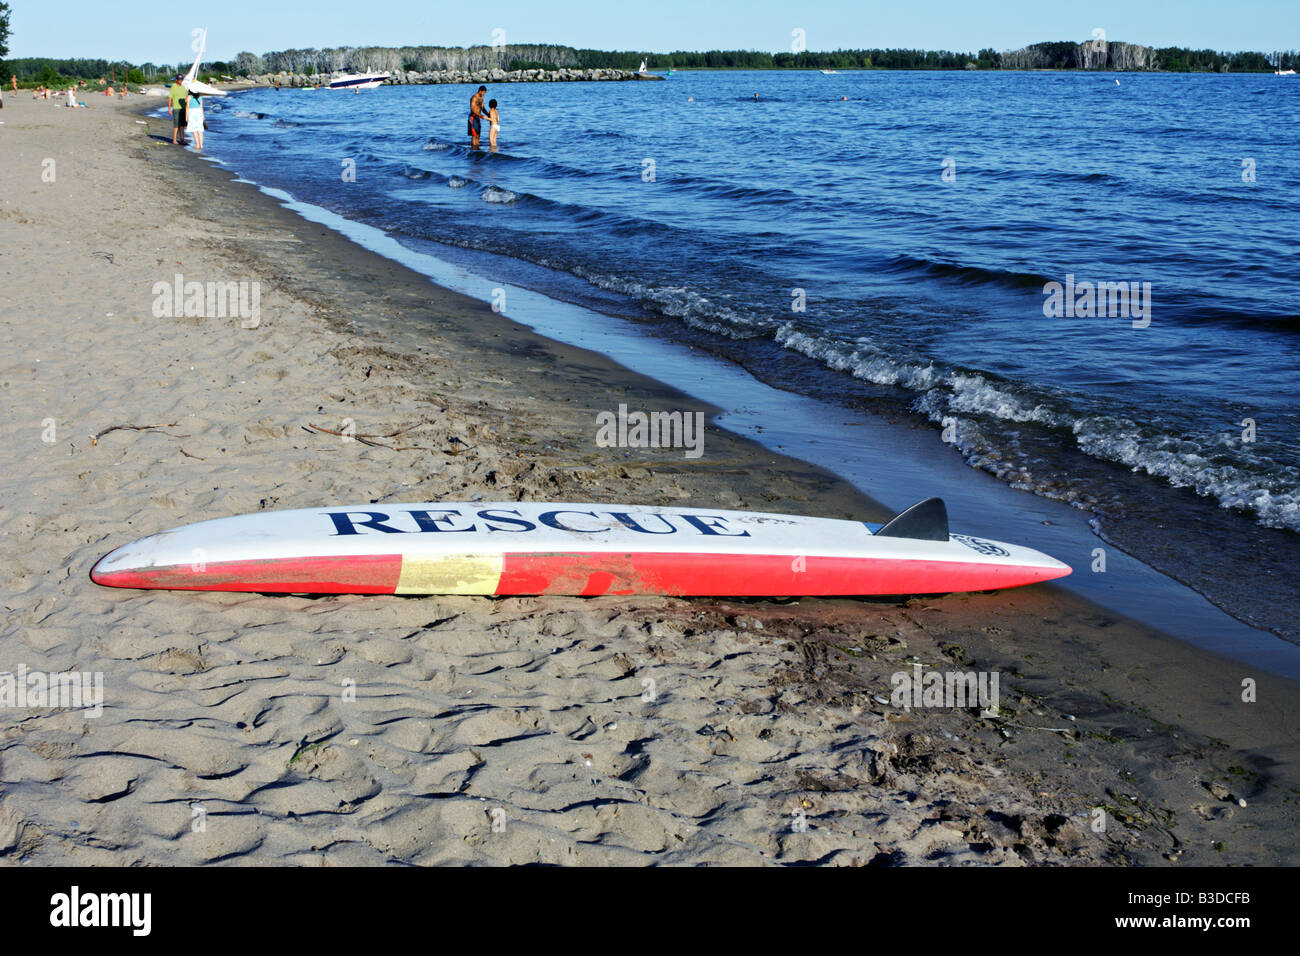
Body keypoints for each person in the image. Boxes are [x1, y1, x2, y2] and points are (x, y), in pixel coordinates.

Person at [168, 74, 187, 145]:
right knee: (176, 124)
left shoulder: (183, 87)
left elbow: (187, 97)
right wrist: (169, 108)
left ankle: (182, 139)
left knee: (182, 124)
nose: (180, 80)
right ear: (176, 80)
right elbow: (170, 98)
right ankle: (174, 139)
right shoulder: (173, 86)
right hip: (176, 108)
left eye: (181, 79)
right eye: (179, 79)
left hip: (183, 108)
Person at [186, 87, 205, 151]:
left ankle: (197, 144)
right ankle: (201, 145)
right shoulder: (200, 97)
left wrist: (186, 116)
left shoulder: (189, 97)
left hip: (192, 113)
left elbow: (187, 107)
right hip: (199, 112)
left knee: (194, 129)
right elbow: (201, 107)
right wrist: (203, 116)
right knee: (200, 130)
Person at [468, 85, 486, 149]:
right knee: (474, 135)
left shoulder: (481, 98)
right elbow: (472, 109)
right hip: (473, 117)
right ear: (480, 91)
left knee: (478, 135)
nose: (483, 94)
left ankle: (477, 148)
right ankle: (473, 148)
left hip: (478, 117)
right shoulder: (474, 97)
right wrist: (479, 115)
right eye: (483, 93)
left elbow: (482, 108)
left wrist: (488, 114)